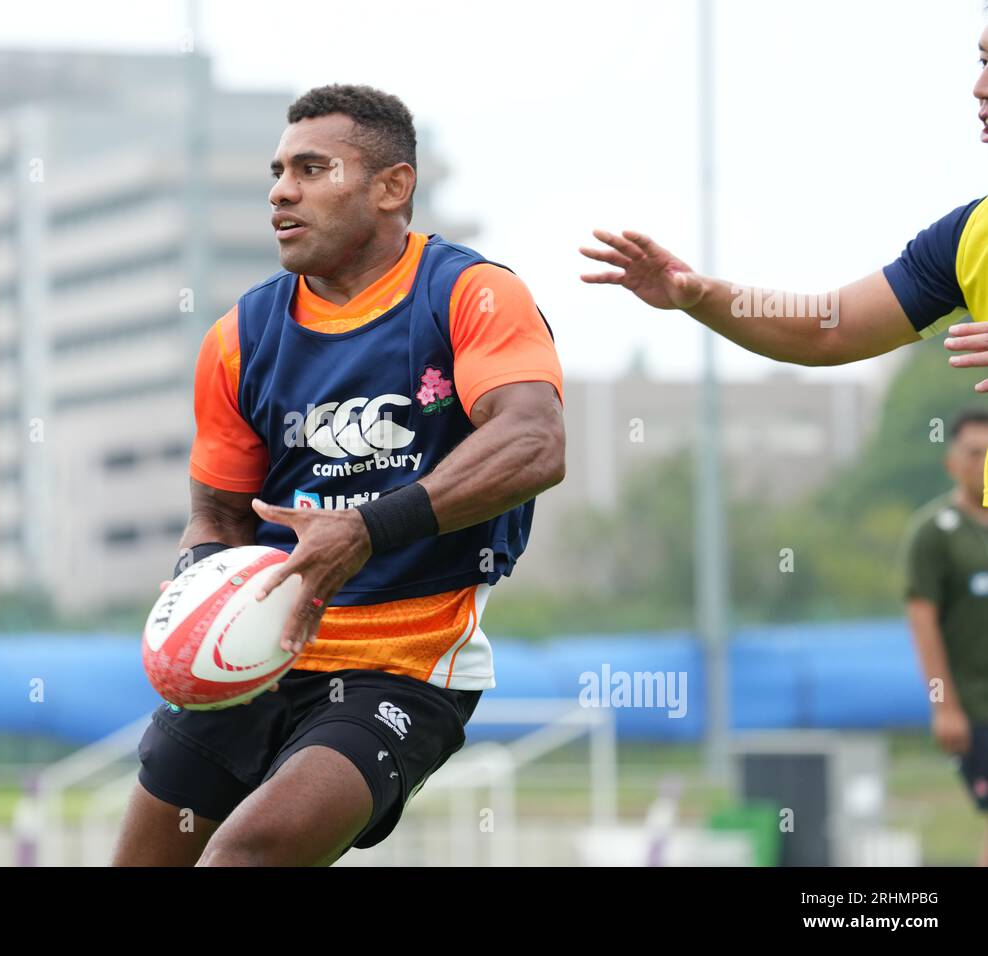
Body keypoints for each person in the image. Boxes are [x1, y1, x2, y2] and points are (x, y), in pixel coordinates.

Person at [112, 84, 566, 866]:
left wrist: (365, 530)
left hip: (403, 664)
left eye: (313, 169)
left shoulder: (469, 294)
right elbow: (216, 515)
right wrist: (197, 581)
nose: (281, 190)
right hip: (251, 659)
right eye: (278, 171)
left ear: (392, 188)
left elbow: (533, 443)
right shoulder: (239, 336)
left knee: (247, 854)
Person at [578, 24, 988, 456]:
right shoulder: (969, 236)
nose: (979, 88)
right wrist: (700, 294)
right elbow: (828, 326)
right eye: (982, 62)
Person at [902, 408, 988, 867]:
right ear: (952, 462)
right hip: (977, 705)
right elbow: (922, 620)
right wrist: (945, 706)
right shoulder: (935, 532)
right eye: (973, 452)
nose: (983, 461)